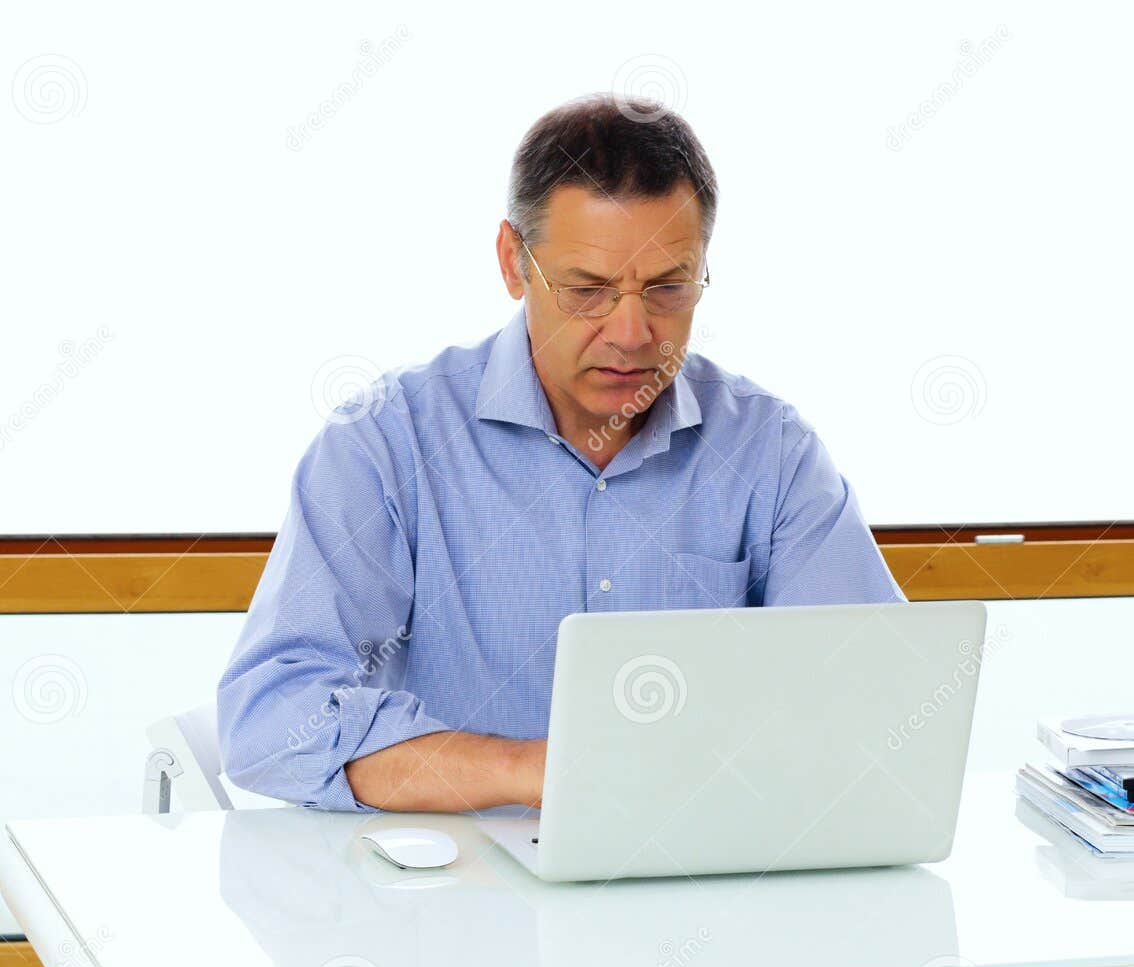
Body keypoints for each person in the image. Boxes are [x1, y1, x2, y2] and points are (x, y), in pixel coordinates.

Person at [217, 93, 903, 813]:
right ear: (514, 263)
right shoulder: (386, 444)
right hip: (451, 897)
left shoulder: (770, 452)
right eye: (588, 291)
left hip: (705, 878)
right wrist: (531, 771)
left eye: (669, 288)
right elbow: (269, 718)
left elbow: (879, 696)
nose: (634, 333)